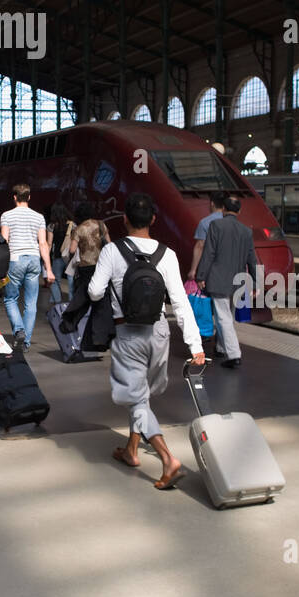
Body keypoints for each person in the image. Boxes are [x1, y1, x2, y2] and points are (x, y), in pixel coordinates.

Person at [88, 192, 204, 489]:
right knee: (142, 394)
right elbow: (180, 302)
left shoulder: (112, 251)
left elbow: (94, 292)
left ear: (124, 219)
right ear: (153, 219)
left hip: (128, 334)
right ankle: (130, 450)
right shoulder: (168, 254)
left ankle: (168, 459)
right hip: (160, 332)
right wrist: (196, 346)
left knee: (136, 398)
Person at [196, 194, 257, 368]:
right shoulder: (246, 231)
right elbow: (252, 259)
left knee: (223, 318)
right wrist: (255, 283)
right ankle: (222, 348)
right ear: (240, 211)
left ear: (223, 209)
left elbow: (209, 252)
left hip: (218, 279)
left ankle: (234, 354)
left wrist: (201, 275)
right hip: (238, 281)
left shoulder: (216, 225)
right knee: (227, 315)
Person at [0, 183, 55, 350]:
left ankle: (18, 329)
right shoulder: (39, 217)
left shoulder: (6, 216)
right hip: (33, 260)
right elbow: (43, 243)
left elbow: (4, 242)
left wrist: (1, 267)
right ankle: (26, 342)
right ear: (29, 197)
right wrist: (49, 270)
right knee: (31, 303)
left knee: (10, 299)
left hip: (15, 260)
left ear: (14, 197)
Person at [187, 191, 225, 281]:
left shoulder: (205, 222)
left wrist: (193, 270)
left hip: (211, 268)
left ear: (212, 204)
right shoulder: (232, 222)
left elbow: (200, 245)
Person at [47, 202, 75, 298]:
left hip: (58, 257)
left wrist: (46, 260)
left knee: (55, 281)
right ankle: (71, 305)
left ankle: (56, 305)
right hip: (70, 257)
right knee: (71, 281)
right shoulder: (73, 225)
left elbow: (49, 244)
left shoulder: (51, 226)